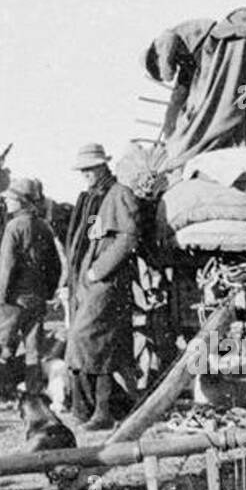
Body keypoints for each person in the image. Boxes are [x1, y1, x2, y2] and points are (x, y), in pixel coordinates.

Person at [64, 143, 140, 431]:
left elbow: (128, 237)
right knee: (87, 342)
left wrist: (98, 270)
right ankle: (90, 408)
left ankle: (103, 411)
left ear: (102, 167)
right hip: (92, 280)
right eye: (83, 171)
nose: (86, 175)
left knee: (91, 340)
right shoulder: (95, 198)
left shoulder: (119, 194)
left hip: (109, 281)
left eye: (90, 170)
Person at [0, 177, 62, 393]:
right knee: (33, 350)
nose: (7, 202)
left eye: (10, 198)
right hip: (36, 299)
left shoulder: (14, 226)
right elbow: (55, 266)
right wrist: (47, 293)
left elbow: (5, 266)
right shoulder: (44, 227)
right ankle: (33, 393)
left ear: (21, 201)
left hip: (13, 300)